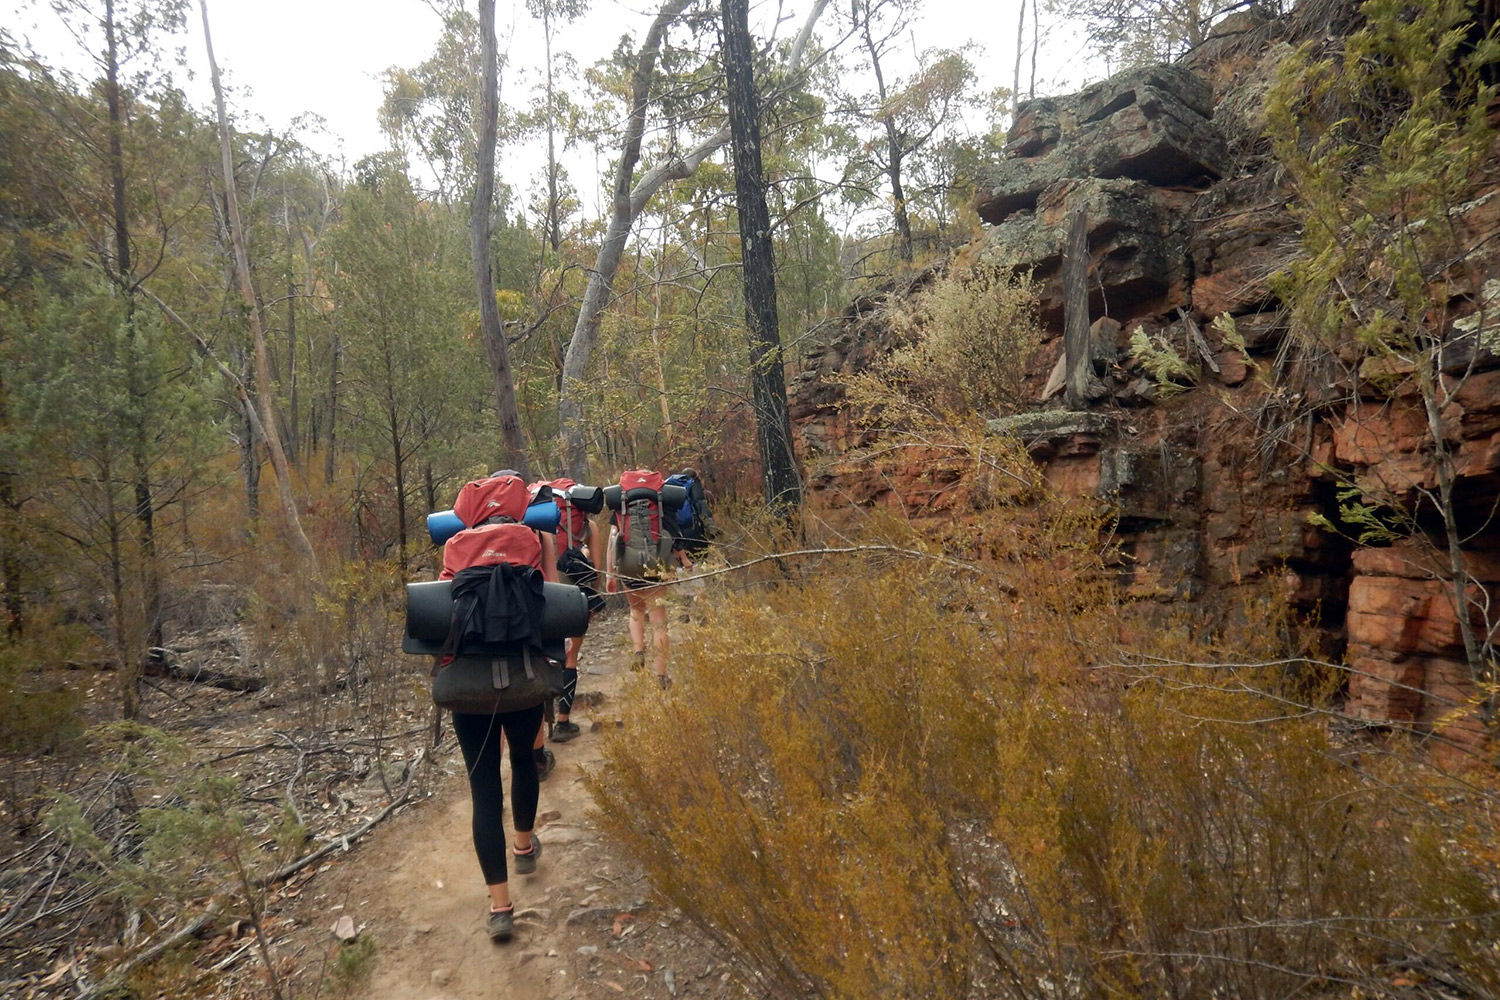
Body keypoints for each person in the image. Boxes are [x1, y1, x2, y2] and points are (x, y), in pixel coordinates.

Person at [438, 472, 558, 942]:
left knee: (483, 789)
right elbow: (551, 594)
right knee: (525, 761)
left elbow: (444, 613)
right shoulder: (530, 537)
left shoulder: (454, 546)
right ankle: (525, 848)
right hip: (525, 678)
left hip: (468, 687)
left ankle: (500, 906)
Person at [540, 477, 606, 744]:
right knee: (571, 656)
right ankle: (564, 721)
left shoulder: (536, 524)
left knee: (542, 659)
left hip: (541, 591)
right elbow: (597, 571)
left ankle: (542, 731)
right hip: (575, 593)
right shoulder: (588, 527)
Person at [604, 470, 674, 688]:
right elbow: (672, 536)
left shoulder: (621, 506)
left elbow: (612, 541)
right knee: (658, 621)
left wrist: (610, 574)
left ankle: (638, 651)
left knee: (635, 611)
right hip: (656, 564)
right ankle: (661, 676)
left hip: (628, 564)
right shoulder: (661, 503)